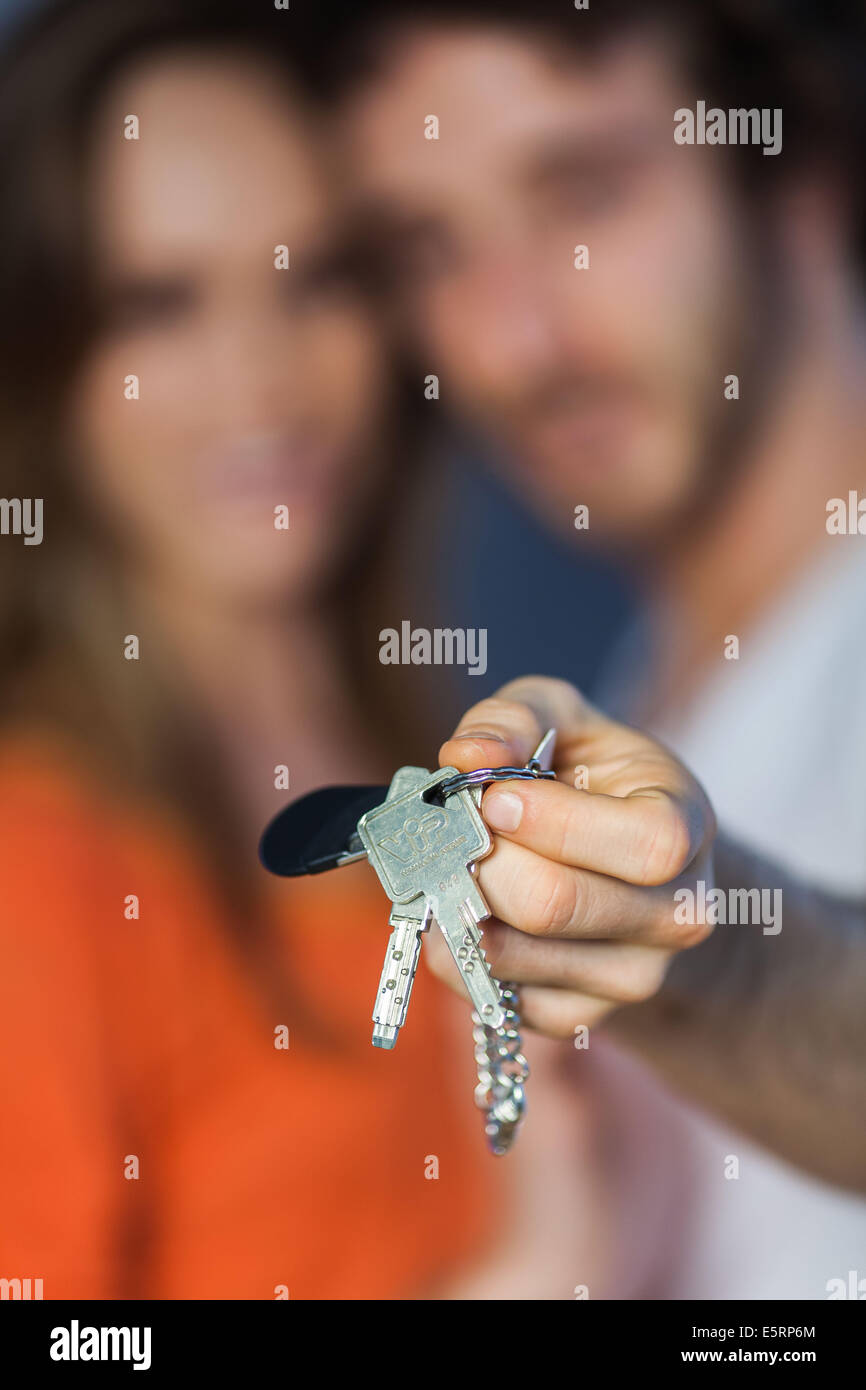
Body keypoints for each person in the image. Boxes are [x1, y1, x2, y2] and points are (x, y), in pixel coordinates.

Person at [327, 0, 866, 1296]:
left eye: (583, 192)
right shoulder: (614, 706)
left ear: (794, 170)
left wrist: (716, 960)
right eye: (431, 248)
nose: (512, 341)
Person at [0, 0, 509, 1300]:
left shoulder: (455, 770)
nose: (261, 379)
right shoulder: (36, 858)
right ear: (45, 357)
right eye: (157, 304)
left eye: (316, 278)